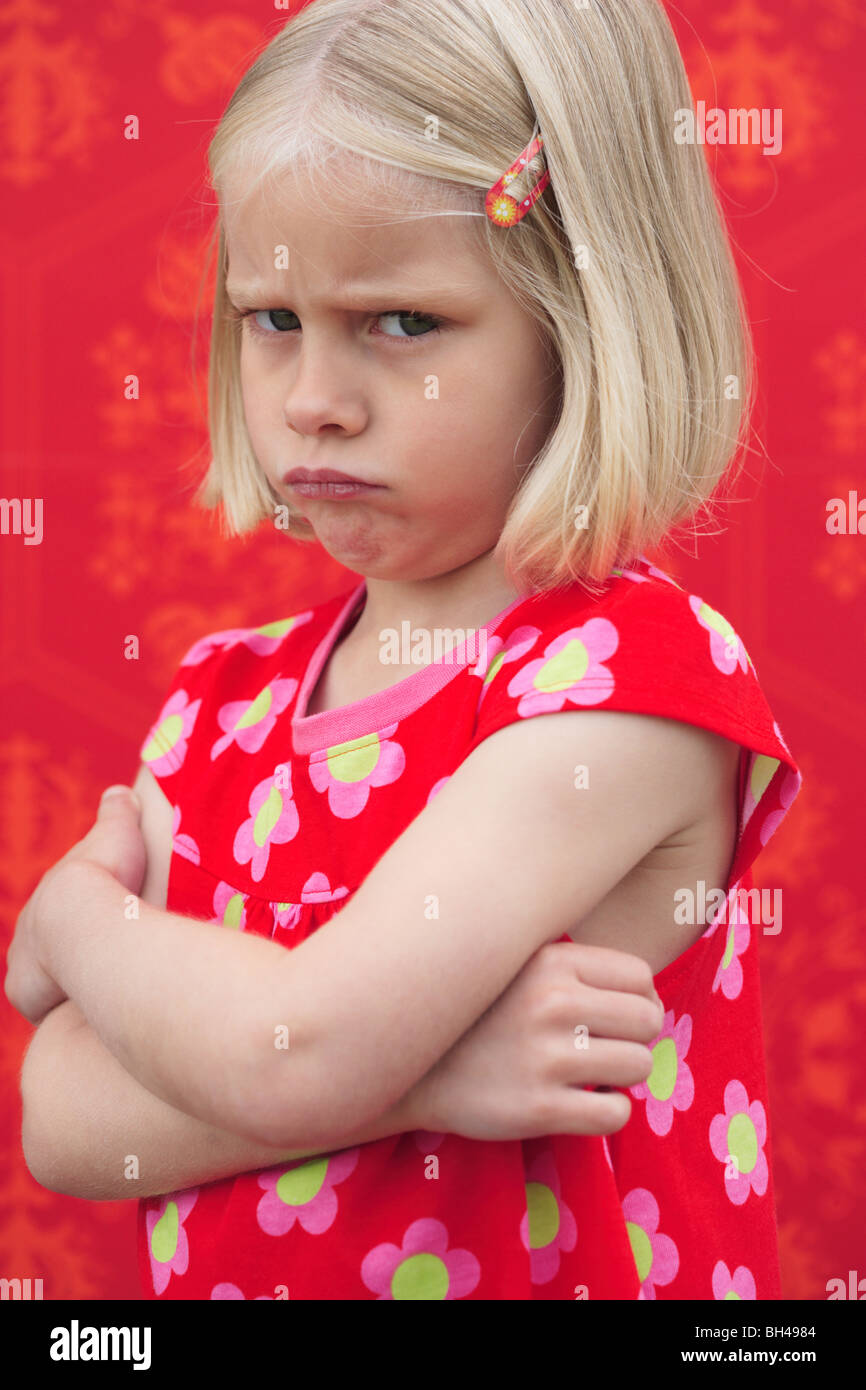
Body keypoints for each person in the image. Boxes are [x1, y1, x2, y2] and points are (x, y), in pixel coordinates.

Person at [10, 0, 801, 1300]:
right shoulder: (220, 704)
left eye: (401, 322)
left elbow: (297, 1051)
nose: (312, 396)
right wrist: (431, 1080)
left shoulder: (620, 687)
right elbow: (65, 1117)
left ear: (583, 325)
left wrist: (72, 915)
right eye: (271, 318)